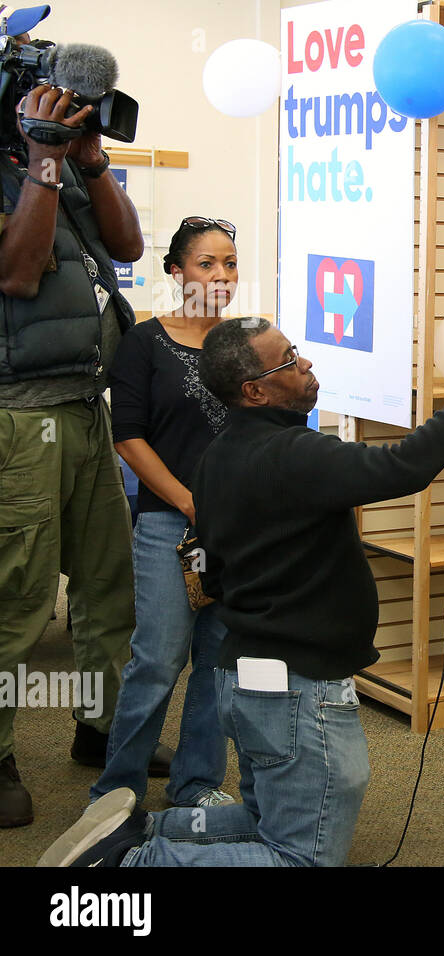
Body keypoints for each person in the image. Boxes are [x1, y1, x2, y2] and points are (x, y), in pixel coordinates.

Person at [38, 318, 444, 866]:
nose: (306, 363)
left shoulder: (214, 459)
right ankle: (126, 865)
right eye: (289, 360)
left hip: (246, 682)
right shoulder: (295, 456)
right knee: (299, 857)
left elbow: (213, 574)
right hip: (295, 690)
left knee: (270, 816)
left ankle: (138, 827)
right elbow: (407, 466)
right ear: (255, 391)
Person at [0, 12, 148, 828]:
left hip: (86, 408)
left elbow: (123, 245)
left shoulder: (68, 158)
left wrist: (88, 163)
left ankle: (102, 729)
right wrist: (43, 168)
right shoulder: (19, 171)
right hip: (15, 417)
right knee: (17, 597)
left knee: (105, 586)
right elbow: (18, 278)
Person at [89, 218, 242, 812]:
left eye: (229, 263)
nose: (221, 275)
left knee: (217, 660)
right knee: (157, 660)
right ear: (176, 273)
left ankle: (197, 782)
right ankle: (117, 788)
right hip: (168, 527)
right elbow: (128, 437)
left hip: (235, 532)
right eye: (206, 264)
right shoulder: (144, 343)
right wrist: (187, 502)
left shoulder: (246, 344)